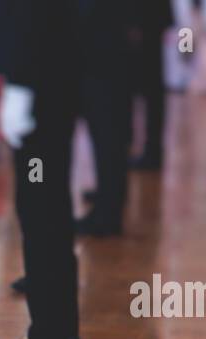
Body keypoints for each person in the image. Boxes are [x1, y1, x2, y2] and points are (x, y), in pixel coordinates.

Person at [0, 0, 81, 339]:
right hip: (51, 77)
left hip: (38, 81)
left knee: (40, 211)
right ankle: (61, 334)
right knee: (50, 207)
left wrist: (20, 82)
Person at [75, 0, 134, 236]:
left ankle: (108, 213)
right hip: (102, 44)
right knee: (107, 131)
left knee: (108, 131)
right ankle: (107, 200)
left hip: (103, 47)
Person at [130, 0, 173, 170]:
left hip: (145, 21)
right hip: (149, 19)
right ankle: (152, 150)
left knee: (151, 92)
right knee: (152, 92)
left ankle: (152, 152)